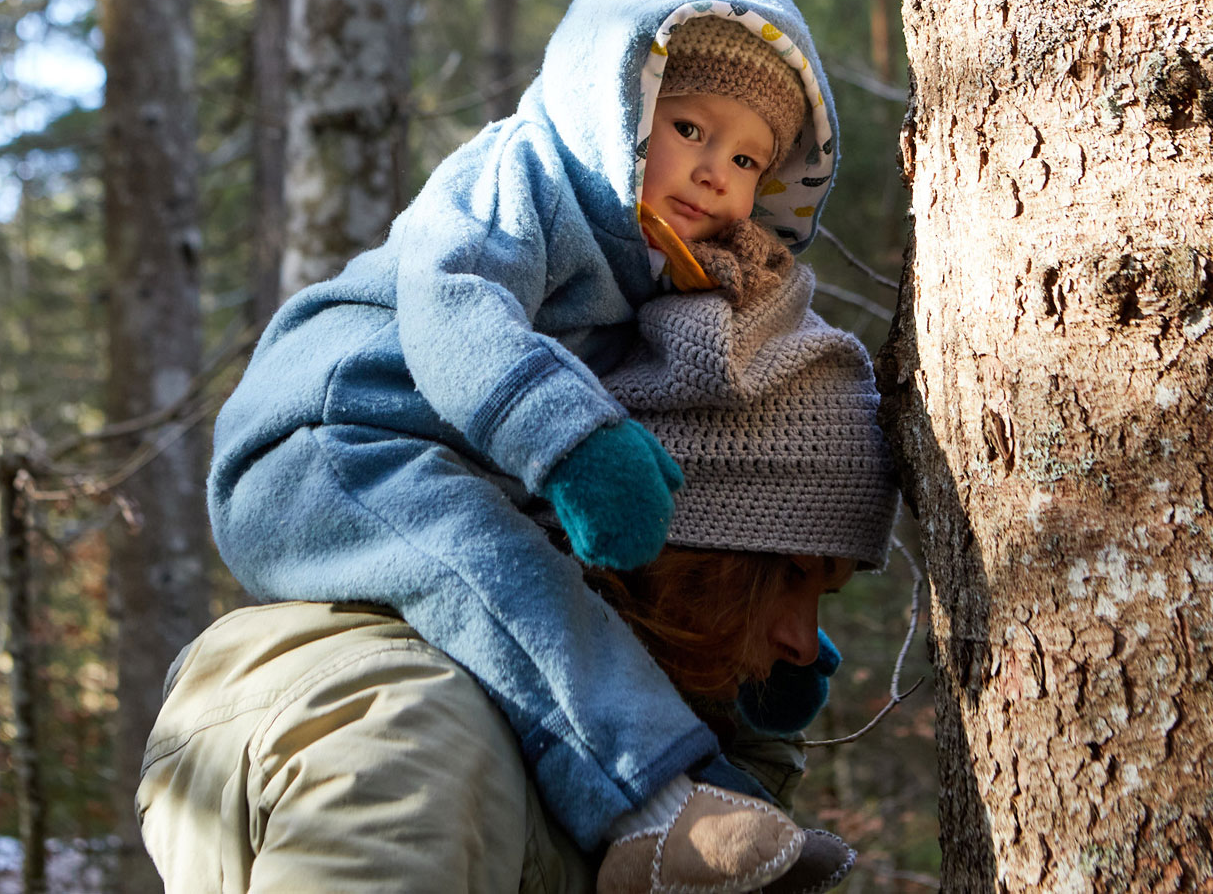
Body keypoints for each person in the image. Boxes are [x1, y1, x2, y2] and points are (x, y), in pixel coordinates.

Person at [206, 0, 845, 889]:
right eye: (689, 129)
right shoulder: (523, 174)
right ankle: (652, 800)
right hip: (330, 437)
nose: (715, 171)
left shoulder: (658, 264)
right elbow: (451, 297)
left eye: (747, 159)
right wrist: (574, 443)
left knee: (521, 565)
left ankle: (701, 776)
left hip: (428, 451)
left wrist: (764, 627)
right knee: (498, 576)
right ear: (619, 97)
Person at [143, 245, 898, 893]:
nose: (804, 643)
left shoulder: (649, 741)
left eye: (825, 594)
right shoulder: (406, 728)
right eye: (788, 574)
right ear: (669, 544)